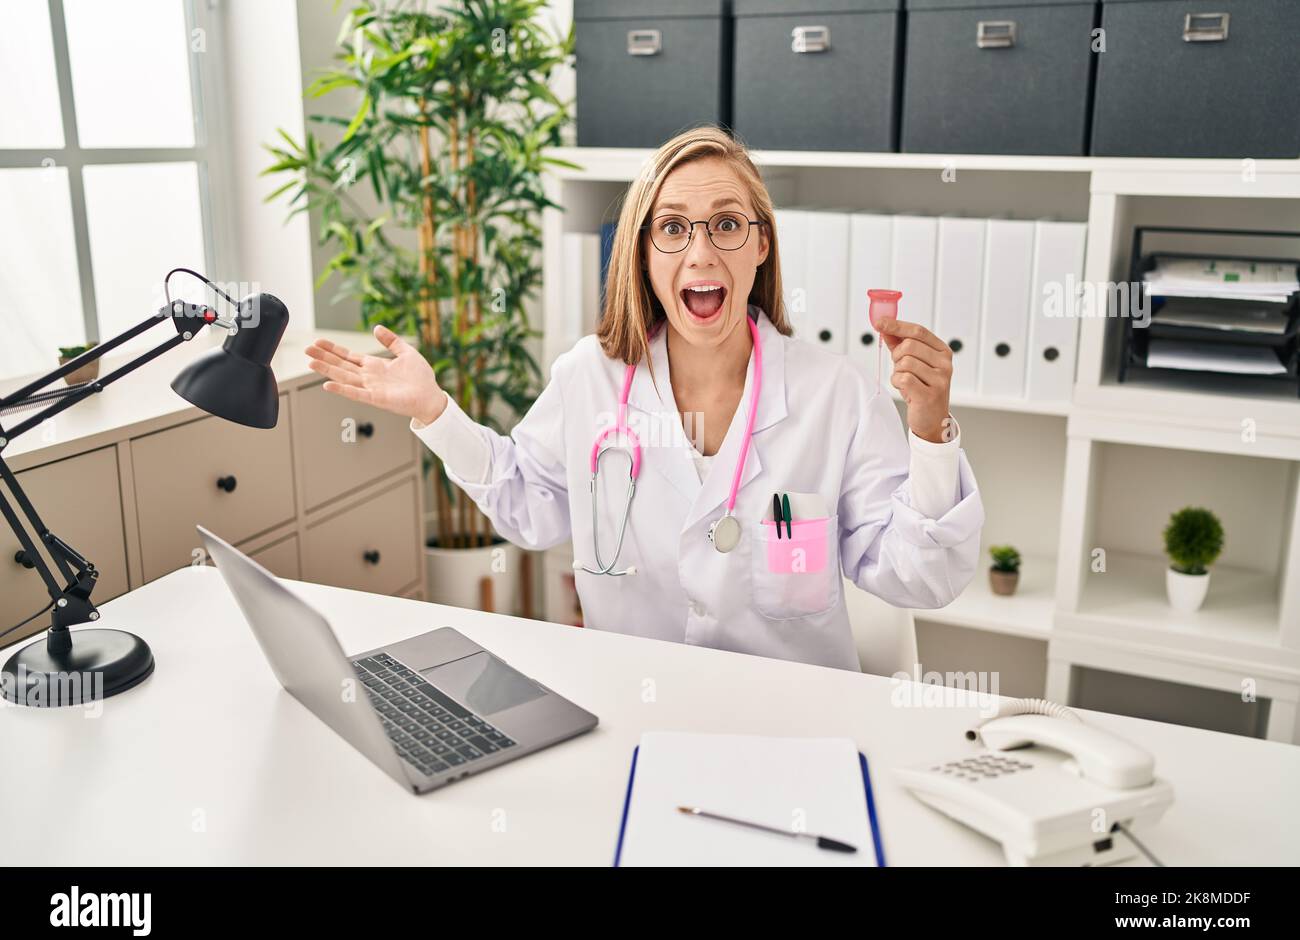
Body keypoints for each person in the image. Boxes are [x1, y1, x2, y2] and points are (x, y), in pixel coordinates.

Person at [306, 126, 984, 671]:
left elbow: (918, 579)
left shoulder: (835, 395)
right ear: (643, 252)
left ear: (760, 245)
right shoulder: (591, 377)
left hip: (792, 723)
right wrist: (434, 412)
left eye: (727, 224)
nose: (701, 253)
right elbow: (531, 509)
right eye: (673, 228)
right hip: (634, 704)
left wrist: (929, 431)